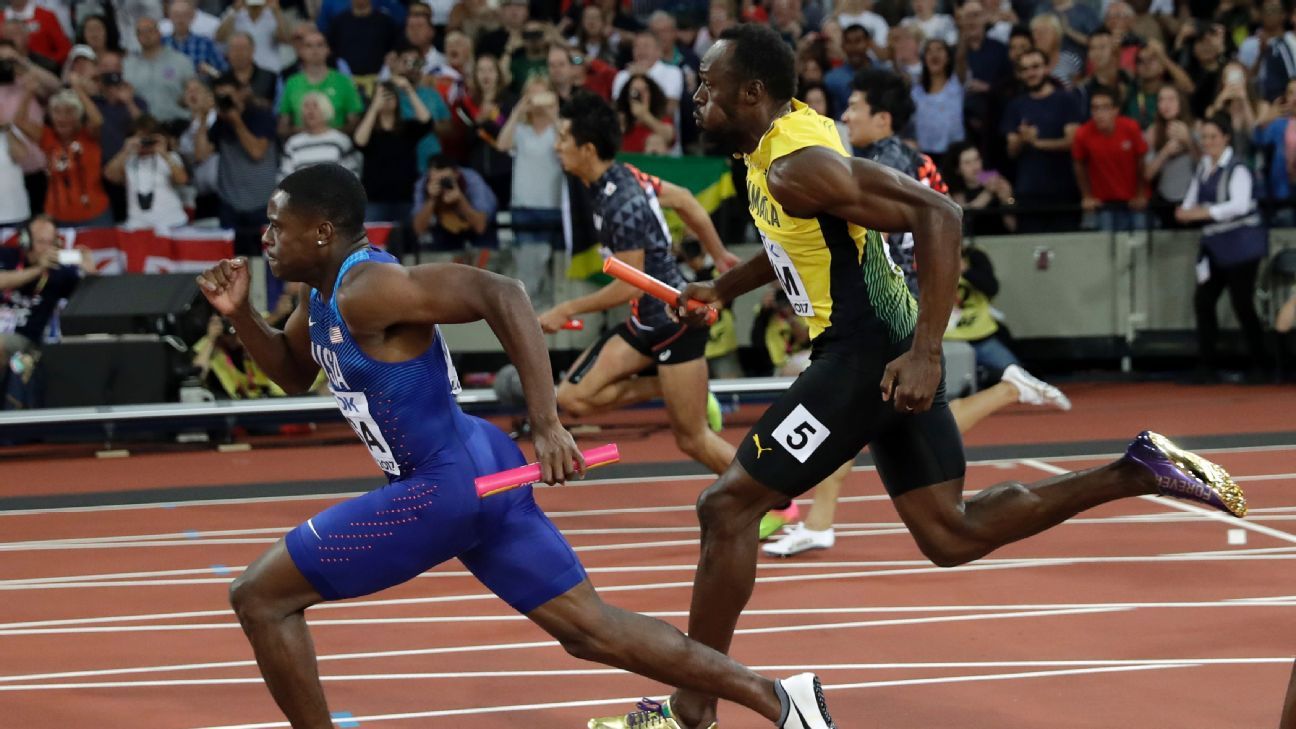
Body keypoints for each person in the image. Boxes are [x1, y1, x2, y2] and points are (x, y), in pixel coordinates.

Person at [590, 25, 1247, 729]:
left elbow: (940, 213)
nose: (695, 97)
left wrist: (928, 351)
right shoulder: (774, 148)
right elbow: (801, 239)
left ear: (751, 93)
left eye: (708, 86)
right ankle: (1135, 470)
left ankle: (691, 710)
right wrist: (726, 288)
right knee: (950, 534)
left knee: (726, 507)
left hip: (866, 354)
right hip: (882, 344)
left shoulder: (796, 164)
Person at [194, 162, 832, 729]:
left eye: (278, 226)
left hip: (439, 487)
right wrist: (240, 314)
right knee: (589, 629)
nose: (266, 239)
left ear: (323, 232)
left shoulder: (367, 289)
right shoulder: (321, 296)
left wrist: (548, 422)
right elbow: (289, 370)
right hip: (479, 465)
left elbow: (503, 292)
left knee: (259, 596)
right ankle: (781, 701)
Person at [538, 92, 739, 475]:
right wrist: (721, 254)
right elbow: (683, 199)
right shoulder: (617, 177)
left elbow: (631, 285)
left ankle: (776, 504)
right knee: (573, 398)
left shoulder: (622, 202)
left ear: (588, 148)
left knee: (692, 439)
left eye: (563, 137)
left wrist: (566, 308)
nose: (556, 145)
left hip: (673, 323)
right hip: (643, 323)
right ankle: (672, 387)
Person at [1175, 114, 1268, 382]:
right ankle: (1207, 365)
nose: (1208, 142)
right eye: (1204, 137)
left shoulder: (1238, 168)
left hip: (1242, 246)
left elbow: (1238, 205)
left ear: (1226, 137)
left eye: (1213, 137)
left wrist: (1199, 212)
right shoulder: (1204, 166)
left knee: (1243, 304)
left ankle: (1260, 364)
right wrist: (1186, 212)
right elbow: (1191, 202)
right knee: (1203, 302)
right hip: (1215, 246)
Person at [495, 74, 562, 306]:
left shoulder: (557, 129)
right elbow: (502, 144)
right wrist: (517, 111)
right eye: (532, 94)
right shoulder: (521, 131)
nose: (537, 100)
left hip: (551, 204)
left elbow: (568, 143)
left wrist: (554, 114)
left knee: (548, 263)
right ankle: (528, 310)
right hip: (523, 204)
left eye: (542, 93)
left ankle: (549, 313)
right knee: (525, 265)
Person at [17, 85, 113, 228]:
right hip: (57, 217)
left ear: (79, 115)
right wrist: (29, 90)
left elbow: (97, 120)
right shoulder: (47, 137)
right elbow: (19, 121)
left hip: (95, 215)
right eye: (57, 112)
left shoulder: (88, 136)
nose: (62, 118)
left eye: (69, 112)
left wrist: (79, 90)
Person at [0, 215, 93, 361]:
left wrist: (91, 273)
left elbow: (91, 300)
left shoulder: (61, 272)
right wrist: (39, 269)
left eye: (50, 242)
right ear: (26, 241)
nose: (46, 248)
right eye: (41, 242)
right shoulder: (6, 256)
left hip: (25, 339)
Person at [1072, 85, 1149, 232]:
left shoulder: (1130, 127)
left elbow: (1141, 160)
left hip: (1133, 201)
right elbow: (1079, 164)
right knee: (1104, 247)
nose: (1099, 114)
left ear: (1115, 110)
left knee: (1140, 244)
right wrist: (1086, 196)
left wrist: (1140, 194)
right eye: (1095, 108)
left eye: (1105, 108)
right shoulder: (1082, 134)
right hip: (1103, 203)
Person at [354, 78, 429, 224]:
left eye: (391, 95)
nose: (387, 99)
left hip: (406, 198)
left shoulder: (408, 128)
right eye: (383, 95)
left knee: (407, 243)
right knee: (374, 245)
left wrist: (409, 90)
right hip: (375, 200)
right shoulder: (371, 131)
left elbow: (427, 122)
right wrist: (375, 107)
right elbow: (359, 142)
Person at [103, 113, 190, 229]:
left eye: (149, 137)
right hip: (138, 225)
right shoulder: (128, 159)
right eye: (140, 137)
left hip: (171, 221)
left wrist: (164, 153)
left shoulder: (169, 157)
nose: (144, 142)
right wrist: (125, 150)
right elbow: (110, 175)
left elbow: (182, 180)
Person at [123, 16, 194, 126]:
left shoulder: (181, 61)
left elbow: (193, 92)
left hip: (177, 124)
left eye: (150, 31)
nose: (146, 35)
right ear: (137, 37)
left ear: (159, 33)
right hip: (142, 126)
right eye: (141, 32)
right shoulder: (127, 66)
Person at [279, 92, 360, 179]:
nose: (310, 110)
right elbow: (284, 179)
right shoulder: (293, 143)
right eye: (306, 106)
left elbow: (353, 177)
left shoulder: (340, 141)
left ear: (326, 110)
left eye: (315, 106)